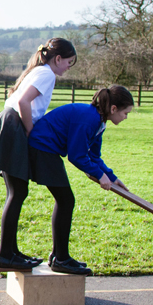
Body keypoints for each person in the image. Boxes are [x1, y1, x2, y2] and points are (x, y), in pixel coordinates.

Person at [0, 38, 77, 269]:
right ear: (58, 59)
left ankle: (11, 252)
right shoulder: (47, 74)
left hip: (10, 122)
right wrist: (30, 131)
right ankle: (5, 254)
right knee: (17, 193)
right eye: (69, 62)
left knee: (18, 192)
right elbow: (24, 102)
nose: (68, 67)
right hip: (15, 125)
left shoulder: (39, 70)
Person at [28, 85, 134, 275]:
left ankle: (59, 256)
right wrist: (99, 175)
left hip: (48, 150)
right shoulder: (89, 118)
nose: (126, 117)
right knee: (66, 200)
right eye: (126, 113)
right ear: (114, 108)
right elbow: (76, 156)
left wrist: (111, 176)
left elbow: (93, 156)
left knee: (65, 200)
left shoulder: (99, 122)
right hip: (41, 148)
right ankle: (60, 258)